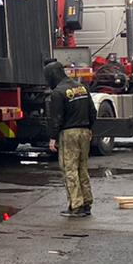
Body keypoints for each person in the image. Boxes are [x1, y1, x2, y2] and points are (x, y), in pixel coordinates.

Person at [44, 59, 96, 218]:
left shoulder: (58, 92)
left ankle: (76, 205)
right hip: (85, 131)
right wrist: (89, 128)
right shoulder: (82, 87)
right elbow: (92, 111)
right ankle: (87, 202)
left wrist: (53, 138)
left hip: (69, 133)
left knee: (69, 169)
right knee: (82, 167)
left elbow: (56, 118)